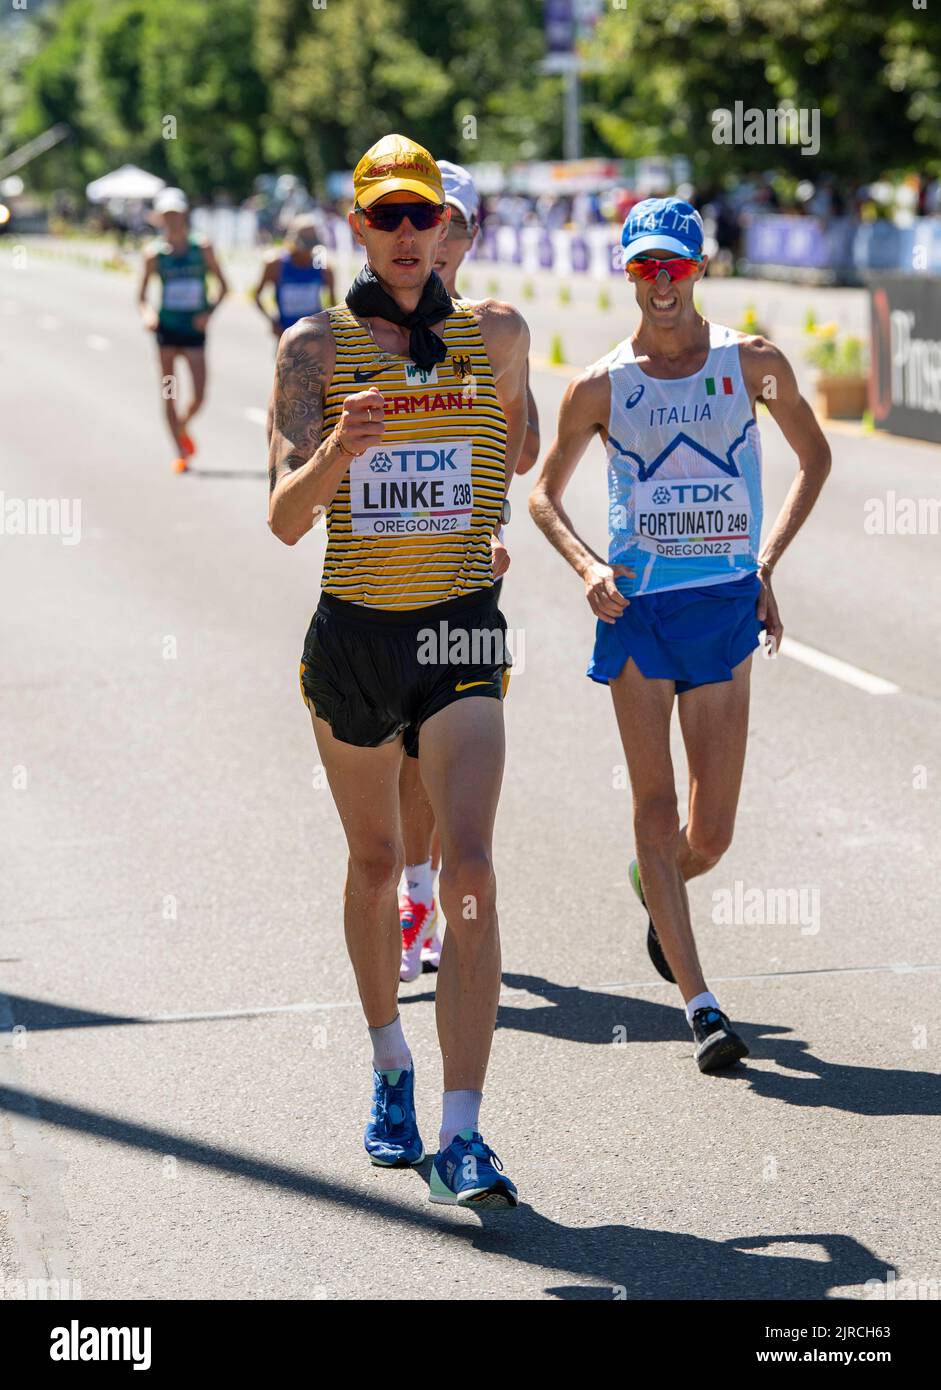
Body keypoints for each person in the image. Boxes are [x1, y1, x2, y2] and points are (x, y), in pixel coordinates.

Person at [267, 135, 531, 1207]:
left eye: (425, 215)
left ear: (449, 226)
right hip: (355, 640)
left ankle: (462, 1131)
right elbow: (284, 521)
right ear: (357, 228)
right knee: (377, 868)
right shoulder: (310, 350)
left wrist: (484, 521)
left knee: (466, 868)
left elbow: (511, 455)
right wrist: (339, 449)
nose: (409, 235)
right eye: (387, 217)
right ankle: (389, 1063)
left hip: (460, 631)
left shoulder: (499, 333)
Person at [529, 196, 830, 1074]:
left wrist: (765, 564)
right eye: (644, 268)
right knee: (654, 811)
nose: (660, 284)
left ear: (700, 270)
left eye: (675, 267)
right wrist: (588, 567)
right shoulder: (598, 384)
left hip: (723, 609)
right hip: (641, 616)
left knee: (711, 834)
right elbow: (542, 493)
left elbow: (814, 457)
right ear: (627, 275)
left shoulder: (752, 363)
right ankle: (701, 1005)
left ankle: (655, 887)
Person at [397, 159, 540, 983]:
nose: (438, 237)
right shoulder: (363, 327)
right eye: (424, 220)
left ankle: (449, 895)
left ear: (472, 235)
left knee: (451, 746)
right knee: (406, 755)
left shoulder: (496, 331)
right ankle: (414, 885)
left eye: (454, 223)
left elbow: (522, 453)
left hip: (470, 573)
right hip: (385, 578)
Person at [137, 188, 228, 473]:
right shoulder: (154, 253)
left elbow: (224, 287)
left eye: (176, 214)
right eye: (167, 215)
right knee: (169, 392)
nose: (172, 220)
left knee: (200, 394)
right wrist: (149, 315)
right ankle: (180, 452)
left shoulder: (202, 248)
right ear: (159, 218)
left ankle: (182, 425)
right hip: (166, 330)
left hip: (193, 330)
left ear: (185, 214)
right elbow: (141, 296)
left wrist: (208, 313)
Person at [253, 214, 336, 340]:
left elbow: (333, 307)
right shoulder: (275, 265)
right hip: (286, 337)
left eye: (312, 244)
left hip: (316, 340)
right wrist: (272, 322)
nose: (308, 250)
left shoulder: (324, 269)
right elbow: (257, 296)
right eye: (305, 244)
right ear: (293, 240)